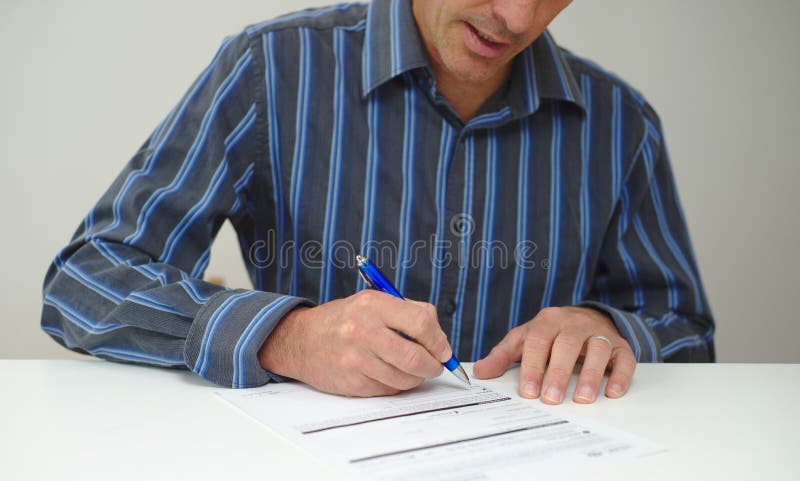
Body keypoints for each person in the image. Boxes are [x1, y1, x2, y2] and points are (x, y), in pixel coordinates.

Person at [41, 0, 715, 404]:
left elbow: (686, 332)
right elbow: (83, 282)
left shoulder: (622, 126)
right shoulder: (271, 70)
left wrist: (609, 328)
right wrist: (284, 336)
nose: (515, 18)